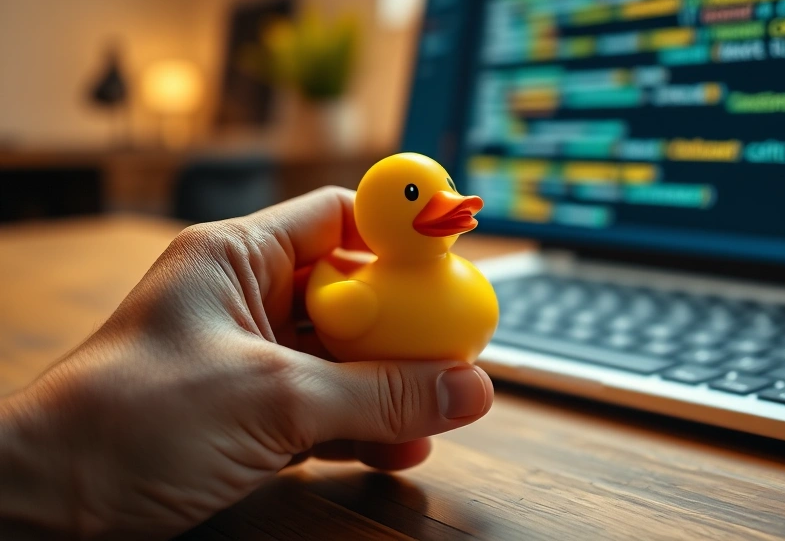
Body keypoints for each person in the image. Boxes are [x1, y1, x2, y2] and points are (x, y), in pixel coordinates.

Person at [0, 187, 495, 539]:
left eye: (444, 188)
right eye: (414, 193)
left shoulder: (456, 278)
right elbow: (328, 295)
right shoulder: (360, 298)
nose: (449, 202)